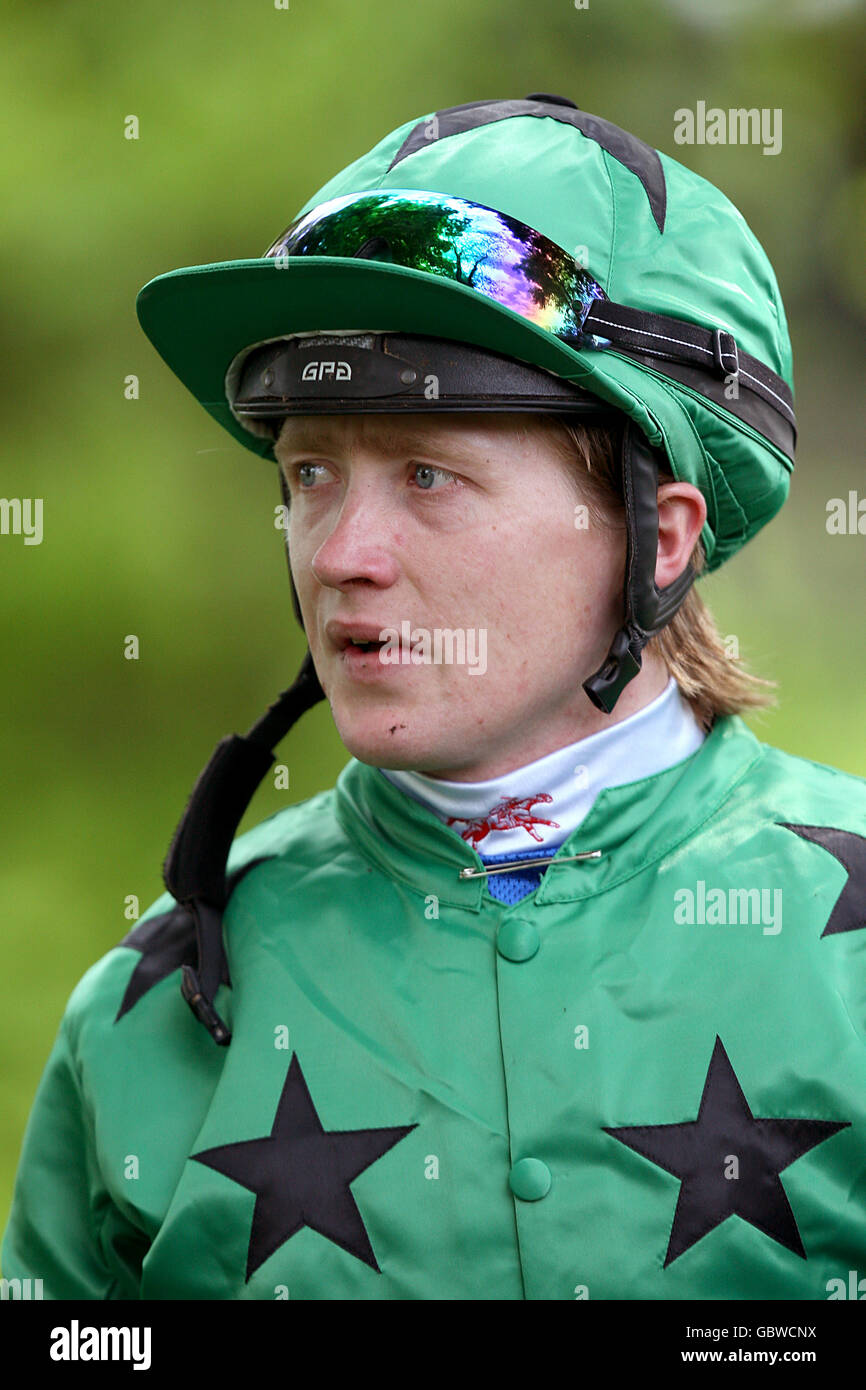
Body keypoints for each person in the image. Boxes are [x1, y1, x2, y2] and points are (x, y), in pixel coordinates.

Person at [4, 94, 866, 1302]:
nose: (341, 552)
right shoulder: (152, 1009)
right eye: (311, 472)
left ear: (657, 541)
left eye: (427, 473)